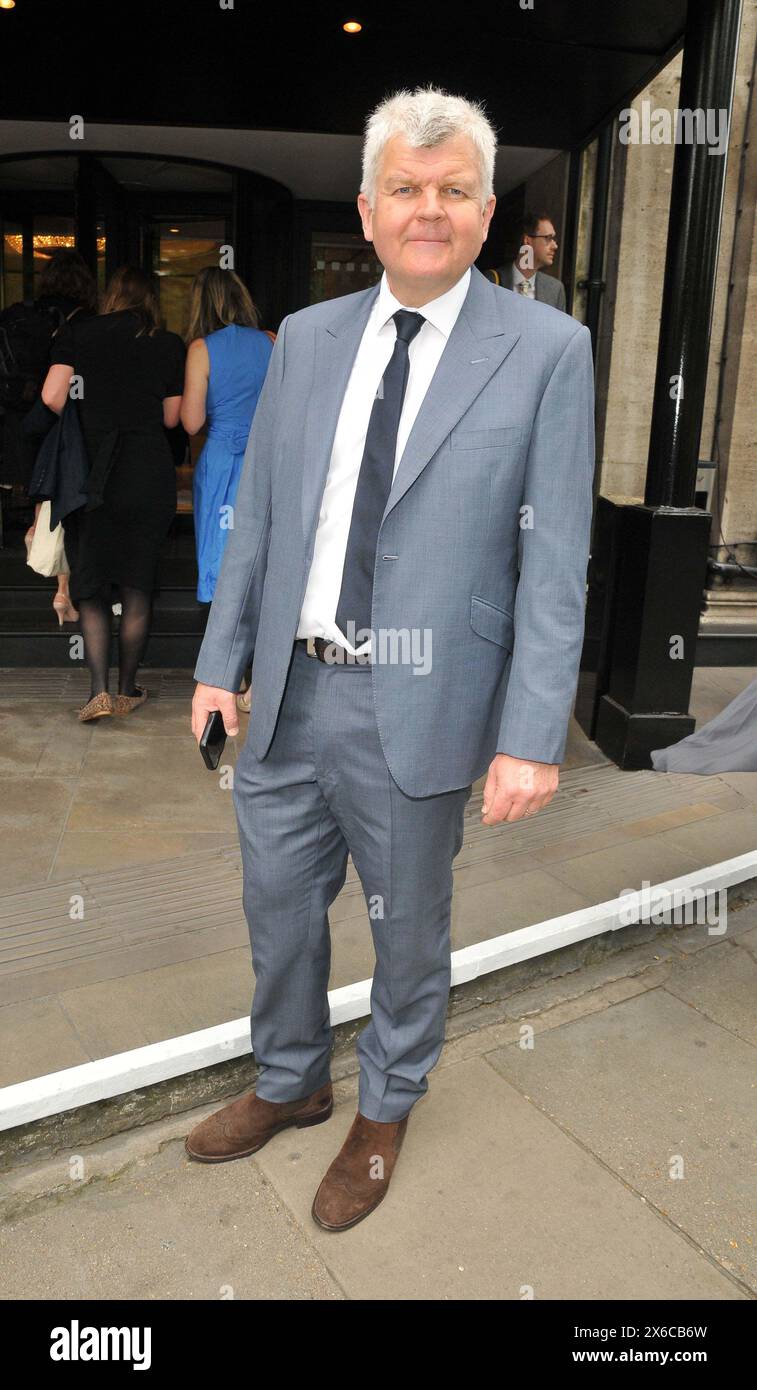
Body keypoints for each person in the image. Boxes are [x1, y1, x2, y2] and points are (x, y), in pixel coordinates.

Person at [186, 85, 595, 1232]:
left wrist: (529, 736)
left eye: (452, 190)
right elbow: (258, 517)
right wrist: (221, 663)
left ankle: (385, 1104)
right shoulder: (306, 340)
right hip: (289, 689)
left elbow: (555, 562)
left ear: (483, 213)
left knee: (407, 921)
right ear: (366, 212)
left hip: (419, 698)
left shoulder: (548, 351)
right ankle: (292, 1077)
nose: (428, 210)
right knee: (278, 907)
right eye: (405, 191)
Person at [40, 266, 185, 721]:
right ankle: (127, 690)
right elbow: (171, 416)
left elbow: (51, 395)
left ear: (110, 298)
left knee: (93, 582)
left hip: (93, 472)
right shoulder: (166, 343)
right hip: (146, 470)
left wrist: (88, 415)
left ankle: (98, 691)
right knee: (138, 583)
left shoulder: (78, 332)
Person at [181, 267, 274, 712]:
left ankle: (225, 677)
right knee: (264, 562)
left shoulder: (201, 349)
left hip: (221, 463)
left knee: (219, 562)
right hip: (265, 464)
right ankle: (261, 680)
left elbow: (193, 422)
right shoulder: (272, 342)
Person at [0, 248, 97, 624]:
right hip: (64, 420)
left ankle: (38, 536)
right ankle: (63, 591)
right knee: (69, 502)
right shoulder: (81, 322)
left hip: (27, 421)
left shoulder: (26, 314)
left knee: (48, 495)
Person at [487, 211, 567, 311]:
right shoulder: (491, 281)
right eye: (548, 238)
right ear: (527, 240)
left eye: (554, 239)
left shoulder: (555, 289)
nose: (555, 246)